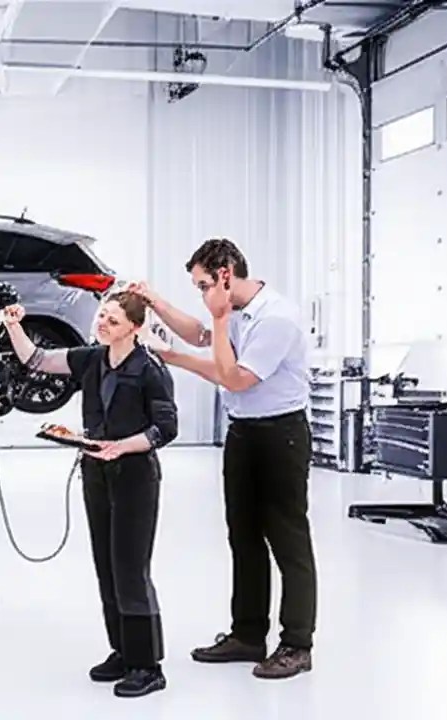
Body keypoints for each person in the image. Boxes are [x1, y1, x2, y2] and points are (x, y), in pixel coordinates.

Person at [130, 238, 317, 680]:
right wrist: (155, 300)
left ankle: (297, 644)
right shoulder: (230, 312)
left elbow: (233, 378)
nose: (201, 293)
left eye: (202, 285)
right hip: (243, 434)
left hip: (281, 436)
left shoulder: (277, 318)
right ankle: (249, 635)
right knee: (243, 536)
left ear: (226, 275)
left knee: (288, 540)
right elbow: (199, 332)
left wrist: (175, 356)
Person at [2, 291, 178, 698]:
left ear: (135, 328)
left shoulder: (150, 370)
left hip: (135, 474)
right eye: (102, 316)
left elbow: (165, 429)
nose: (103, 324)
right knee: (106, 566)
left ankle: (147, 665)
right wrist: (15, 326)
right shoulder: (91, 359)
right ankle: (122, 650)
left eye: (113, 321)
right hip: (95, 471)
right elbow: (37, 360)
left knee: (131, 569)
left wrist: (122, 446)